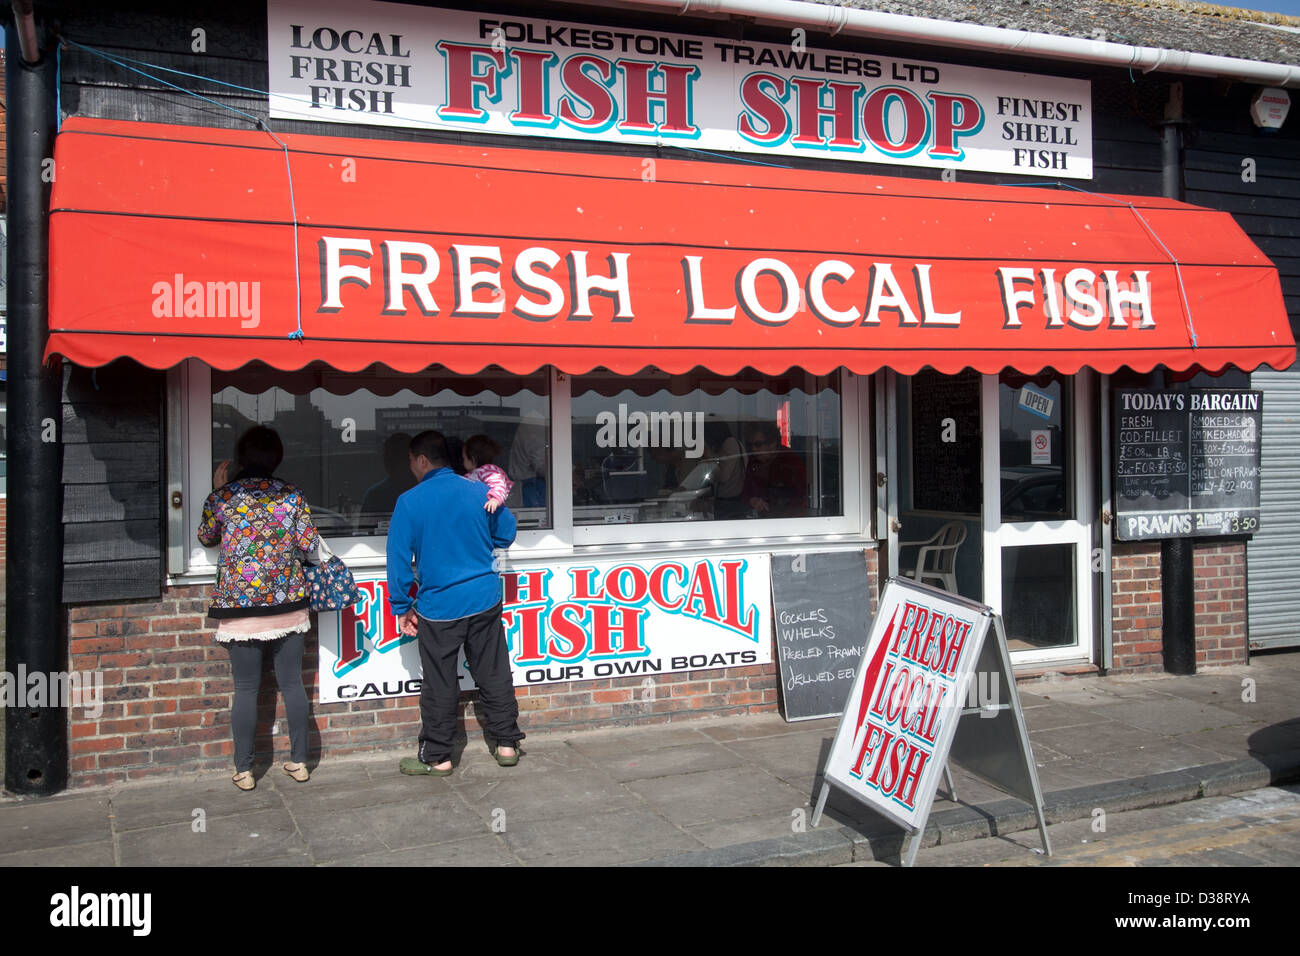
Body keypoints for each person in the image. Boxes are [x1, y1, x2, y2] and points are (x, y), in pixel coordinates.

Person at [386, 430, 524, 775]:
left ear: (421, 460)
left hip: (440, 606)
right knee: (493, 672)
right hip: (483, 598)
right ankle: (506, 744)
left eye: (411, 460)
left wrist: (402, 605)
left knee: (439, 682)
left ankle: (438, 756)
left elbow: (398, 559)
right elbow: (506, 533)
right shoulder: (479, 491)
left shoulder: (409, 501)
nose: (411, 467)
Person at [197, 426, 317, 790]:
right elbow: (309, 542)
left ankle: (245, 770)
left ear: (241, 458)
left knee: (246, 689)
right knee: (293, 685)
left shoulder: (224, 497)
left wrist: (218, 489)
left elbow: (206, 537)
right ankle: (299, 762)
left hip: (239, 606)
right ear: (277, 457)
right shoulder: (291, 495)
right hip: (286, 603)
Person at [742, 421, 809, 518]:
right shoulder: (753, 461)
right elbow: (745, 493)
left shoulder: (790, 460)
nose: (753, 449)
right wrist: (753, 500)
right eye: (750, 445)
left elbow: (798, 498)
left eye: (758, 444)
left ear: (773, 444)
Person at [462, 433, 514, 513]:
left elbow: (499, 485)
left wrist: (495, 500)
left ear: (472, 458)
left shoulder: (488, 471)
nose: (462, 462)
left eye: (464, 458)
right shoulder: (475, 473)